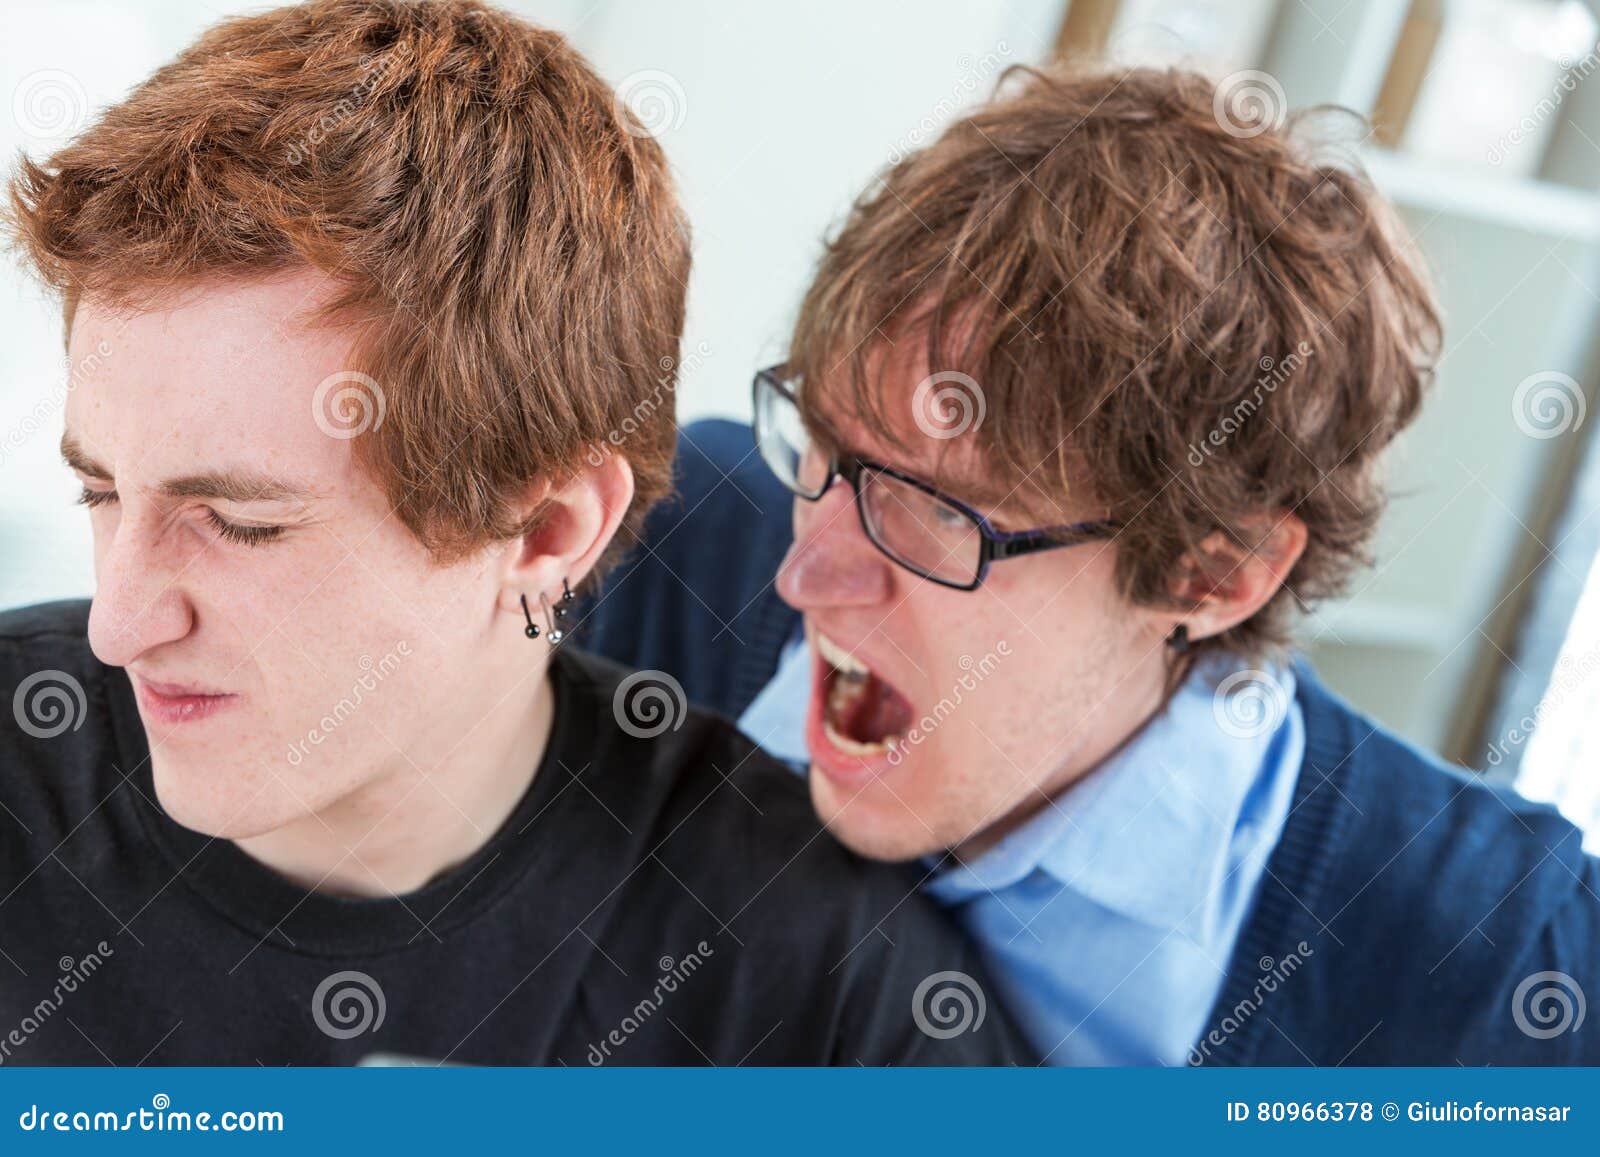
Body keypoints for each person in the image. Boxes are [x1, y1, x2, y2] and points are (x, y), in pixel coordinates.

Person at [0, 0, 1031, 1067]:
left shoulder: (818, 992)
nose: (118, 624)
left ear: (545, 530)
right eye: (101, 492)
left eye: (241, 523)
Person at [576, 65, 1600, 1065]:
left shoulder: (1504, 968)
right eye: (827, 447)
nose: (808, 574)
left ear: (1216, 571)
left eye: (937, 511)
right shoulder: (663, 552)